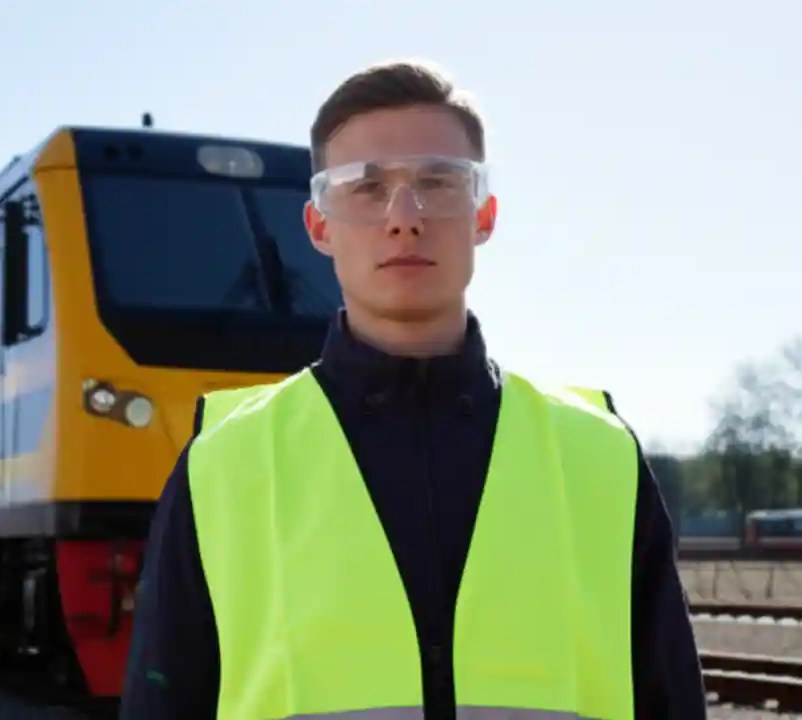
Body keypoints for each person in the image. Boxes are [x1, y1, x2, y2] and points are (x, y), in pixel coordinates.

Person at [120, 59, 707, 720]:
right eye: (366, 188)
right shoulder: (223, 466)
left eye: (438, 181)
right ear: (318, 226)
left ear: (483, 215)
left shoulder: (600, 456)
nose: (405, 216)